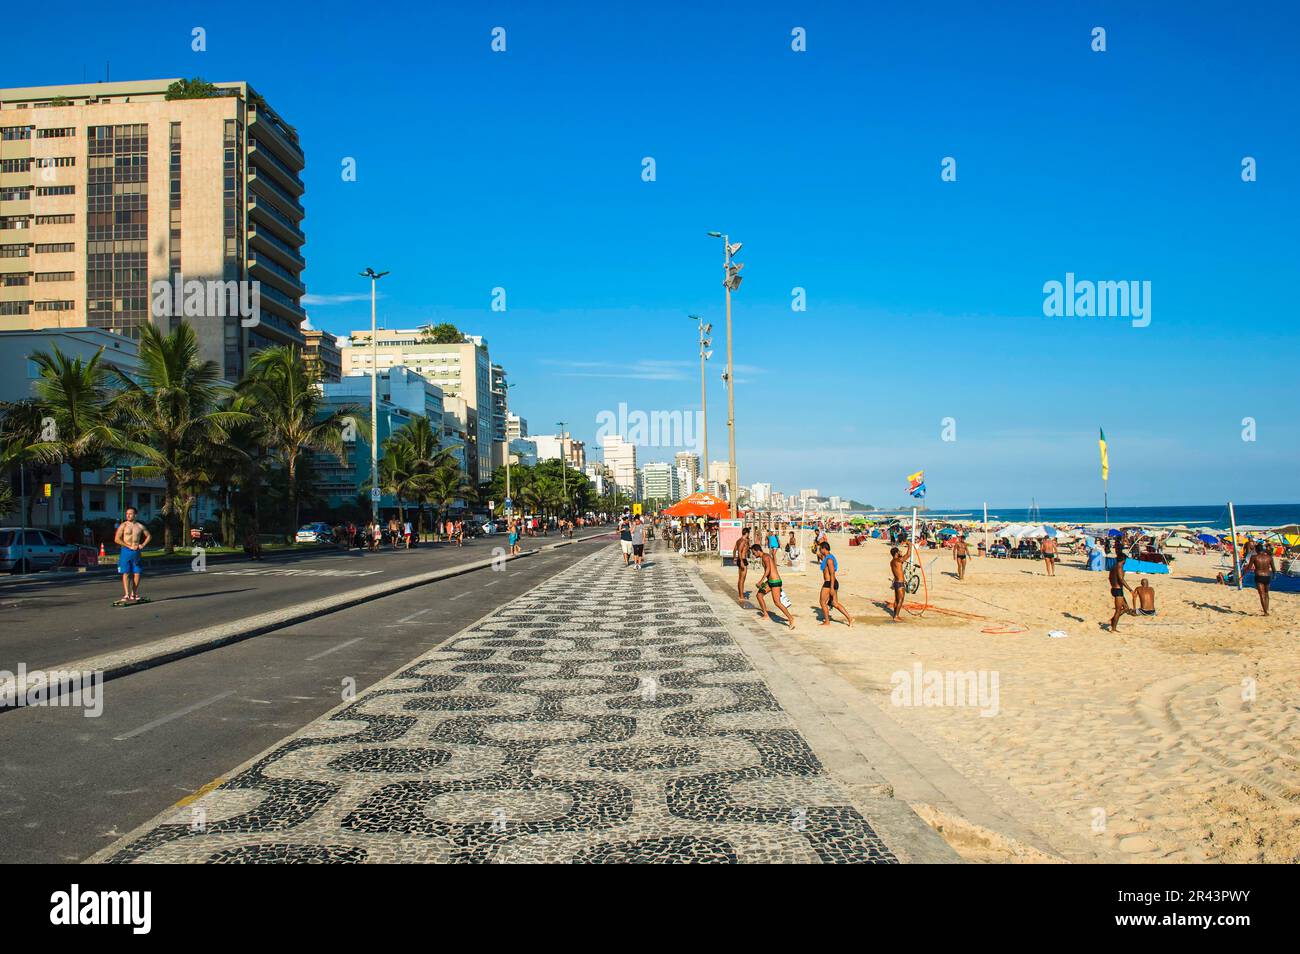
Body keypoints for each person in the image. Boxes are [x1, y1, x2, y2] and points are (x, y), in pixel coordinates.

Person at [112, 507, 151, 604]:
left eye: (130, 513)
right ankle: (126, 594)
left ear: (135, 515)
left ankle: (134, 593)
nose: (128, 515)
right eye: (127, 514)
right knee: (126, 573)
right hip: (126, 551)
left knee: (137, 573)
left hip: (136, 552)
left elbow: (149, 536)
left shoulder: (140, 526)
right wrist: (128, 546)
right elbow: (117, 539)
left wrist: (143, 544)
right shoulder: (123, 525)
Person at [754, 546, 796, 629]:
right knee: (759, 595)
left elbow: (768, 569)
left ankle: (791, 618)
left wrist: (761, 581)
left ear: (758, 551)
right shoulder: (765, 556)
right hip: (770, 582)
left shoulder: (765, 557)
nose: (753, 554)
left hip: (775, 582)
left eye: (754, 552)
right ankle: (766, 615)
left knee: (777, 602)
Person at [818, 541, 853, 626]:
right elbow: (823, 560)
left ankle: (827, 621)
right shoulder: (827, 557)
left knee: (822, 602)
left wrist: (832, 587)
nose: (819, 550)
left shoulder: (829, 559)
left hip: (829, 583)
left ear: (824, 549)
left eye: (820, 549)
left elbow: (832, 573)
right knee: (834, 603)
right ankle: (849, 618)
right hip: (831, 582)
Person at [1108, 548, 1136, 632]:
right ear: (1123, 559)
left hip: (1114, 588)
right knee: (1118, 610)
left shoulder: (1113, 567)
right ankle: (1113, 628)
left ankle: (1113, 620)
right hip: (1118, 590)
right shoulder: (1119, 567)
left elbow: (1110, 578)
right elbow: (1121, 579)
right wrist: (1130, 590)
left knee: (1126, 608)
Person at [1247, 542, 1276, 616]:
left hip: (1259, 576)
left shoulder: (1254, 557)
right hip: (1267, 576)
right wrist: (1274, 575)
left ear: (1256, 550)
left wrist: (1243, 572)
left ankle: (1265, 612)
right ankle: (1266, 609)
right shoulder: (1269, 557)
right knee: (1266, 593)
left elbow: (1249, 568)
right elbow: (1274, 569)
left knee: (1262, 594)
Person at [888, 540, 912, 621]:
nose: (900, 552)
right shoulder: (898, 560)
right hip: (899, 583)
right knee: (900, 600)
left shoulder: (892, 561)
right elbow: (908, 554)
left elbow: (899, 572)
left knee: (897, 600)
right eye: (899, 552)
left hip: (896, 582)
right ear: (896, 553)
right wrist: (909, 545)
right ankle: (896, 616)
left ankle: (895, 614)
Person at [735, 527, 752, 601]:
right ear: (747, 533)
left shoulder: (739, 540)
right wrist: (742, 561)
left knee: (740, 579)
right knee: (742, 579)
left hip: (740, 559)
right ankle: (741, 596)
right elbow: (739, 551)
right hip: (743, 560)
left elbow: (734, 549)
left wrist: (734, 558)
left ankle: (740, 594)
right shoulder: (743, 541)